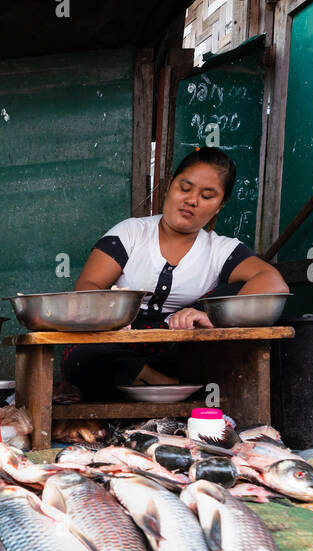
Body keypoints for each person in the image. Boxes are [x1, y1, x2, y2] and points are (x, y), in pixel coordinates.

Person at [62, 147, 288, 399]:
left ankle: (142, 380)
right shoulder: (132, 233)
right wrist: (110, 315)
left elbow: (274, 283)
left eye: (207, 195)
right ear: (169, 186)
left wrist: (205, 316)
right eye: (185, 188)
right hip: (119, 343)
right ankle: (160, 382)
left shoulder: (220, 249)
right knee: (80, 357)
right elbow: (87, 285)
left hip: (178, 348)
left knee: (235, 296)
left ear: (220, 205)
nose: (192, 200)